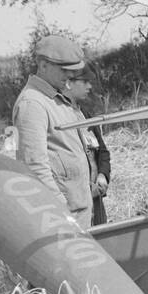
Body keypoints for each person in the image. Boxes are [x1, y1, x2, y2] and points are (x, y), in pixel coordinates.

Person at [12, 34, 93, 229]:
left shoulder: (57, 99)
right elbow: (34, 165)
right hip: (64, 216)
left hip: (79, 207)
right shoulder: (32, 104)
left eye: (71, 70)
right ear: (43, 65)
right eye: (63, 69)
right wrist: (59, 212)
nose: (69, 76)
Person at [64, 65, 110, 226]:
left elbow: (103, 151)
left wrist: (103, 175)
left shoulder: (86, 115)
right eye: (85, 82)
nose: (89, 86)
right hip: (75, 204)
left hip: (95, 199)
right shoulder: (60, 118)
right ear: (69, 83)